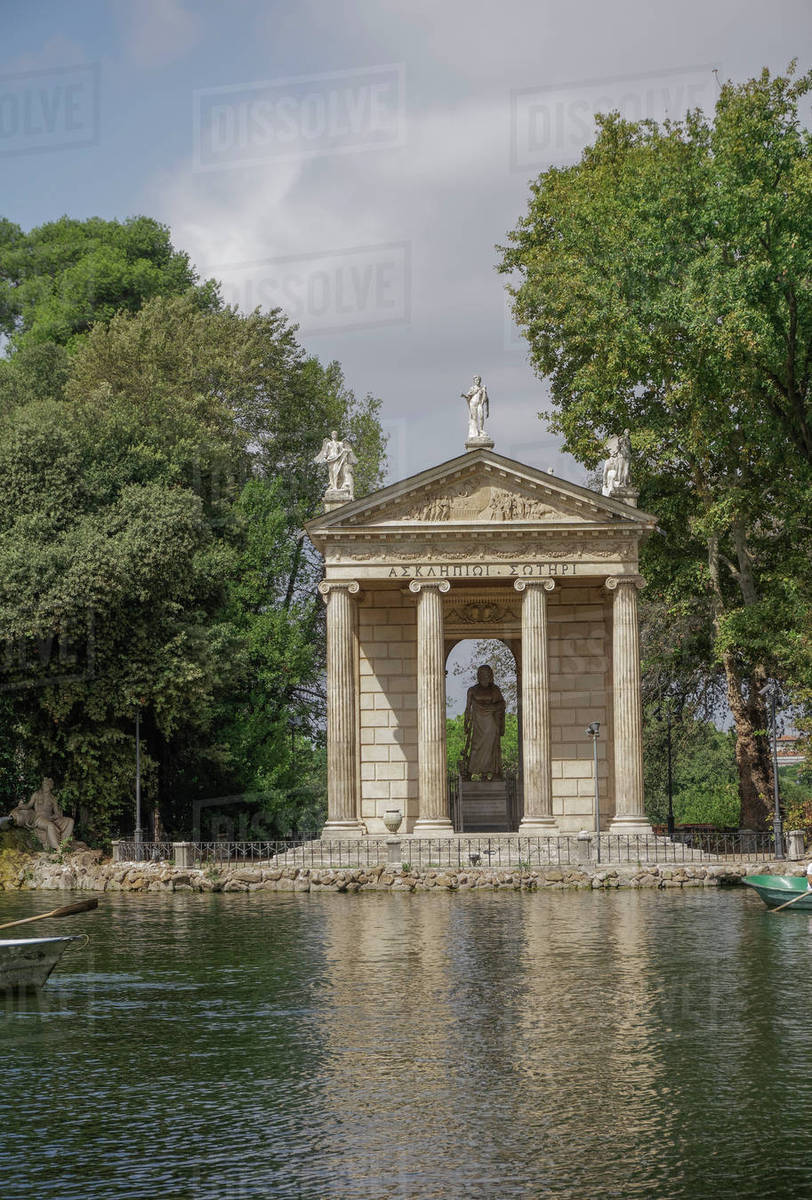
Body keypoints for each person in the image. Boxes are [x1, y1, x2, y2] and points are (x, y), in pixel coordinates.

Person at [462, 665, 506, 780]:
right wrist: (465, 724)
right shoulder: (472, 690)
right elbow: (467, 709)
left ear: (490, 675)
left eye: (487, 674)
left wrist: (492, 707)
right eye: (482, 674)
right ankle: (470, 772)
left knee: (491, 748)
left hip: (491, 724)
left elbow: (502, 704)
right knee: (475, 747)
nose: (484, 676)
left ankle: (486, 774)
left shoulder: (494, 689)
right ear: (478, 675)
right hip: (478, 724)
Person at [7, 778, 74, 851]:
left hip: (50, 818)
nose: (45, 786)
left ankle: (64, 843)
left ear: (50, 786)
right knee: (50, 825)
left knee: (70, 821)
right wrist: (20, 806)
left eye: (46, 784)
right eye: (44, 784)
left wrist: (54, 816)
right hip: (39, 818)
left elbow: (57, 813)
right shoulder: (36, 794)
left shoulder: (53, 798)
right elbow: (28, 805)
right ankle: (57, 848)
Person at [314, 431, 357, 497]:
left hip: (337, 458)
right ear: (331, 435)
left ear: (337, 435)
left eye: (335, 434)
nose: (334, 435)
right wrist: (325, 457)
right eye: (333, 434)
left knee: (336, 471)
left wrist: (347, 451)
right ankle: (333, 485)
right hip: (330, 459)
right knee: (331, 473)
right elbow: (325, 453)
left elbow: (342, 451)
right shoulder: (329, 444)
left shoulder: (340, 443)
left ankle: (335, 487)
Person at [461, 375, 489, 440]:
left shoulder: (482, 388)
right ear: (474, 381)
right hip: (473, 404)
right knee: (474, 418)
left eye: (478, 380)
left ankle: (481, 430)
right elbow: (468, 397)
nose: (477, 381)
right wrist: (464, 396)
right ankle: (475, 433)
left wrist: (487, 410)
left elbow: (486, 399)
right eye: (476, 380)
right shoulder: (472, 388)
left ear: (480, 381)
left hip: (479, 404)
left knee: (481, 416)